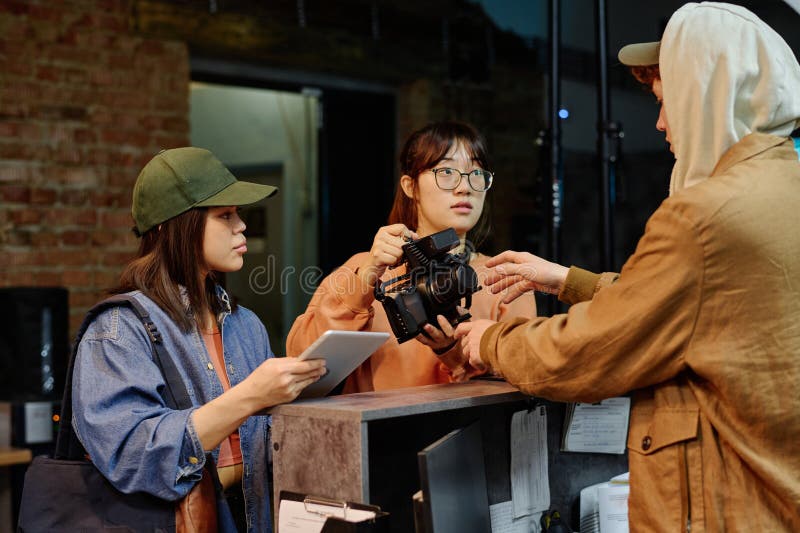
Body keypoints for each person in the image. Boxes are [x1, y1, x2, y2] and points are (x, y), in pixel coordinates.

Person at [455, 3, 800, 531]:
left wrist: (488, 340)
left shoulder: (703, 218)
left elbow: (591, 350)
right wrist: (568, 281)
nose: (660, 123)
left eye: (669, 103)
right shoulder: (783, 191)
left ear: (710, 95)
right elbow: (699, 311)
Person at [71, 147, 326, 533]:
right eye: (225, 215)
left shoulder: (246, 325)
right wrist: (251, 395)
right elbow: (130, 454)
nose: (242, 226)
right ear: (174, 226)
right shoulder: (120, 329)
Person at [286, 121, 536, 392]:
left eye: (476, 173)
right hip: (378, 431)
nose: (465, 188)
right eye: (447, 171)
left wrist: (452, 352)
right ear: (410, 186)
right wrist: (365, 281)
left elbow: (527, 379)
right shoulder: (364, 267)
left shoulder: (505, 279)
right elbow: (301, 360)